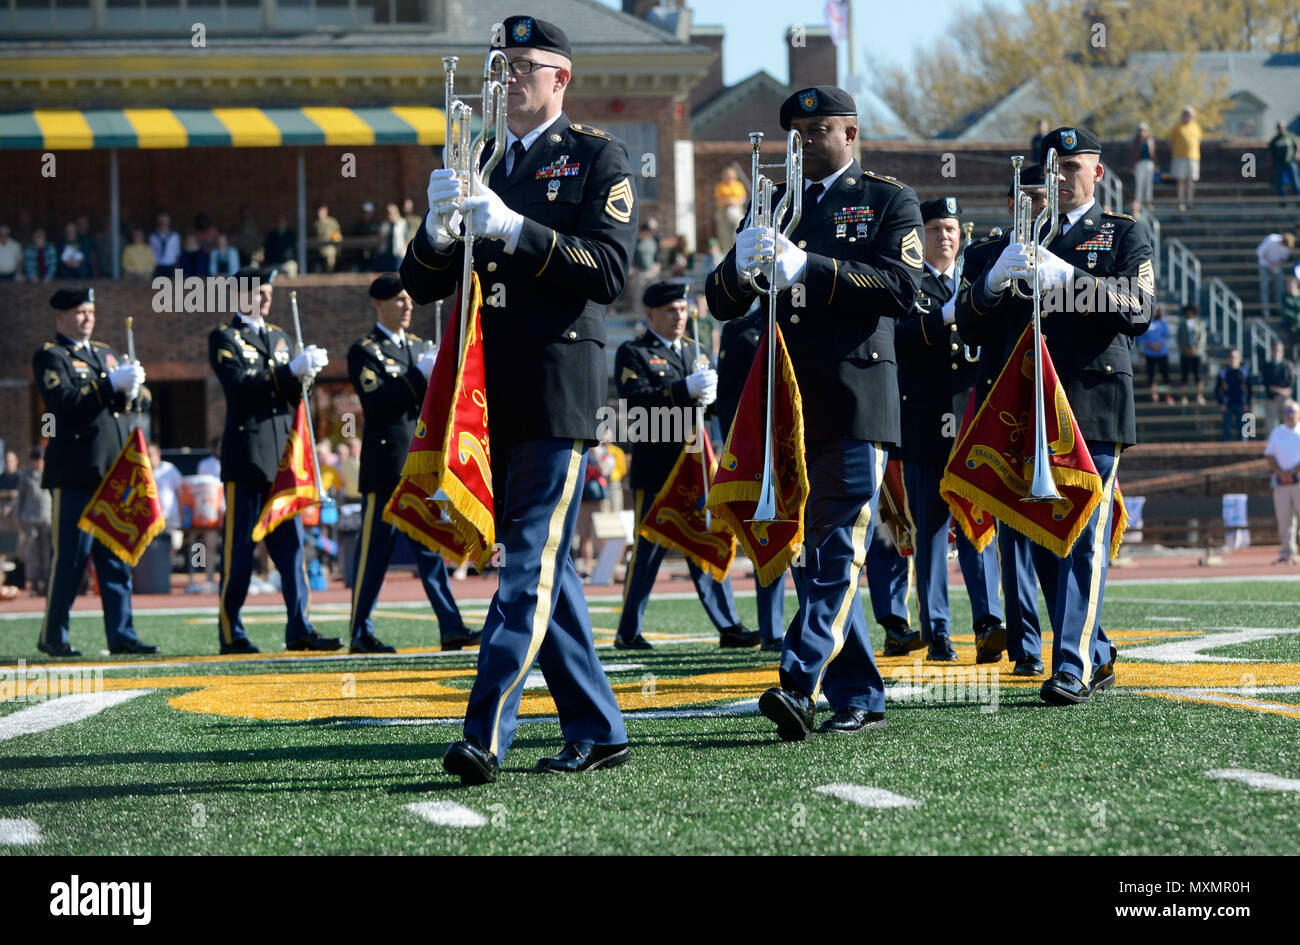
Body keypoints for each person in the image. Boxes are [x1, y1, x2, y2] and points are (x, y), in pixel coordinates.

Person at [403, 15, 636, 784]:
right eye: (498, 64)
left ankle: (484, 731)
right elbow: (423, 283)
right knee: (548, 572)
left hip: (556, 385)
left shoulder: (600, 156)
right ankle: (599, 727)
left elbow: (606, 270)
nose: (504, 78)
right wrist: (436, 233)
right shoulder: (488, 160)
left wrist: (515, 227)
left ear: (560, 77)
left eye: (521, 66)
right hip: (490, 391)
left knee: (525, 567)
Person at [706, 84, 925, 737]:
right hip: (790, 405)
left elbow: (904, 287)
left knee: (836, 546)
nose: (804, 141)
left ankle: (798, 681)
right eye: (796, 133)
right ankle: (858, 692)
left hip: (858, 398)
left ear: (850, 134)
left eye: (818, 129)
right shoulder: (777, 206)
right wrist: (741, 265)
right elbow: (721, 300)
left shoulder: (888, 199)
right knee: (820, 557)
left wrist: (810, 266)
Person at [957, 126, 1155, 704]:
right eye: (1054, 167)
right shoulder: (1011, 242)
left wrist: (1069, 279)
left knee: (1086, 534)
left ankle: (1070, 665)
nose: (1062, 177)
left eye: (1074, 166)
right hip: (1029, 411)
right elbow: (968, 326)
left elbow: (1138, 307)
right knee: (1047, 538)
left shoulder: (1121, 234)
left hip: (1093, 402)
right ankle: (1093, 650)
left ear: (1098, 173)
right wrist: (994, 282)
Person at [613, 280, 760, 651]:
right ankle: (628, 631)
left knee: (707, 540)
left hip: (698, 468)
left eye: (682, 310)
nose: (679, 317)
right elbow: (635, 402)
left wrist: (710, 400)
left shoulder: (696, 350)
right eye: (670, 311)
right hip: (659, 467)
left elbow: (710, 406)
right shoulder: (635, 352)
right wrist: (683, 390)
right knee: (647, 553)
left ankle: (729, 625)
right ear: (650, 315)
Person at [895, 196, 1006, 663]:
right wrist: (942, 317)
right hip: (925, 423)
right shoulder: (910, 283)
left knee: (979, 525)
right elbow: (899, 339)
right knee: (932, 533)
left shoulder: (977, 280)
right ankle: (937, 628)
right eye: (937, 227)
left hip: (971, 424)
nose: (946, 235)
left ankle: (988, 622)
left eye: (953, 228)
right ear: (921, 234)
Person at [208, 267, 340, 654]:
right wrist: (288, 371)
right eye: (256, 292)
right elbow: (240, 386)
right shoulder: (225, 337)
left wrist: (307, 377)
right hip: (247, 460)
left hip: (284, 460)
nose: (264, 298)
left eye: (266, 292)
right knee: (239, 553)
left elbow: (294, 396)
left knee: (293, 551)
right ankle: (231, 632)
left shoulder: (281, 336)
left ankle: (300, 627)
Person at [345, 273, 477, 653]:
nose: (406, 306)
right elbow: (379, 402)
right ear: (378, 304)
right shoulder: (364, 350)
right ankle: (359, 631)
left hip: (420, 465)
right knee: (374, 553)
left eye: (408, 300)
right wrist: (418, 376)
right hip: (386, 466)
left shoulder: (419, 346)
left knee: (430, 549)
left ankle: (451, 627)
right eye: (398, 300)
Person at [32, 287, 158, 656]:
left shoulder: (105, 353)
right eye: (79, 312)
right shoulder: (51, 356)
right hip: (75, 474)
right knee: (70, 559)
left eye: (90, 311)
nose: (87, 317)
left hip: (114, 474)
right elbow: (63, 403)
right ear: (61, 317)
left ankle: (122, 635)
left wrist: (136, 388)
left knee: (115, 558)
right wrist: (108, 385)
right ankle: (54, 636)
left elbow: (139, 400)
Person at [715, 305, 794, 653]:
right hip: (764, 449)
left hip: (801, 441)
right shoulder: (740, 329)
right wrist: (739, 454)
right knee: (770, 534)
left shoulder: (806, 319)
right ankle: (772, 630)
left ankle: (811, 626)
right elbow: (730, 398)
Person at [1264, 399, 1300, 564]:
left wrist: (1293, 471)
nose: (1289, 415)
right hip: (1282, 482)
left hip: (1298, 480)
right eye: (1287, 412)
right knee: (1284, 520)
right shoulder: (1277, 432)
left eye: (1292, 412)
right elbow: (1269, 454)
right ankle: (1287, 552)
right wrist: (1281, 472)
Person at [17, 447, 52, 597]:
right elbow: (20, 498)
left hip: (46, 518)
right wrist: (19, 518)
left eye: (40, 460)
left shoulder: (50, 474)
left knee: (46, 551)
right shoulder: (26, 476)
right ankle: (35, 583)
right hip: (30, 518)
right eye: (36, 460)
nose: (38, 463)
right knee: (32, 552)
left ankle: (47, 581)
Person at [148, 442, 183, 553]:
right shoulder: (143, 471)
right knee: (155, 546)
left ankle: (168, 566)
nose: (149, 457)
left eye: (151, 454)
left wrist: (183, 512)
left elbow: (180, 490)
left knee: (175, 544)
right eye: (146, 454)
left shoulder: (170, 468)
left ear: (158, 454)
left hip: (172, 516)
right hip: (152, 517)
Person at [1167, 106, 1202, 212]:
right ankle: (1180, 202)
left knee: (1191, 180)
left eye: (1190, 115)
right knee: (1181, 180)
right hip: (1179, 157)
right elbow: (1170, 141)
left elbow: (1199, 140)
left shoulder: (1196, 127)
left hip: (1193, 157)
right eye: (1186, 114)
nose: (1188, 117)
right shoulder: (1177, 127)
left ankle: (1190, 201)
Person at [1215, 348, 1252, 442]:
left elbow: (1250, 390)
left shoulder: (1244, 372)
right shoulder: (1223, 372)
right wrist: (1221, 403)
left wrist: (1247, 403)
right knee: (1227, 430)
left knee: (1244, 430)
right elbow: (1216, 390)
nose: (1233, 360)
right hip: (1228, 404)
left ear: (1239, 359)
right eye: (1231, 357)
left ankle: (1244, 449)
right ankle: (1226, 451)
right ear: (1228, 359)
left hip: (1241, 404)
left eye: (1235, 357)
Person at [1256, 231, 1295, 318]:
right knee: (1265, 288)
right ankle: (1265, 312)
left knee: (1280, 288)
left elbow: (1284, 257)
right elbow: (1260, 252)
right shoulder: (1271, 239)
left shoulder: (1287, 246)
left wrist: (1276, 265)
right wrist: (1271, 264)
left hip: (1277, 266)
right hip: (1265, 265)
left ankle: (1281, 310)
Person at [1177, 303, 1208, 404]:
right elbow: (1179, 339)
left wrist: (1196, 348)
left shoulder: (1199, 323)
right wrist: (1186, 349)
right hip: (1185, 353)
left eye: (1191, 311)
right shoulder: (1182, 324)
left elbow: (1202, 337)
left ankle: (1199, 396)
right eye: (1187, 311)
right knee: (1184, 376)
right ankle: (1184, 397)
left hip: (1197, 353)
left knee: (1198, 375)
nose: (1189, 313)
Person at [1261, 340, 1295, 429]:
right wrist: (1279, 392)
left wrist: (1278, 391)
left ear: (1282, 352)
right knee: (1271, 428)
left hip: (1286, 402)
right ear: (1271, 351)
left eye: (1279, 350)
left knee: (1288, 426)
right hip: (1272, 400)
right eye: (1275, 350)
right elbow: (1267, 385)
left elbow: (1290, 385)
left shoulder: (1288, 366)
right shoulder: (1266, 367)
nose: (1277, 352)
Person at [1141, 307, 1173, 402]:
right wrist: (1151, 345)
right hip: (1149, 353)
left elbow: (1166, 335)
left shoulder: (1162, 322)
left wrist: (1158, 345)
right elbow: (1141, 336)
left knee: (1165, 375)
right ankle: (1154, 395)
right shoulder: (1145, 322)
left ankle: (1168, 395)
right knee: (1151, 375)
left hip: (1161, 352)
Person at [713, 166, 747, 247]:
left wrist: (736, 202)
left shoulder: (738, 185)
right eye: (727, 176)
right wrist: (729, 201)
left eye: (731, 176)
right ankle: (726, 251)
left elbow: (743, 197)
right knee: (725, 233)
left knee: (737, 229)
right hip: (724, 211)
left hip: (737, 210)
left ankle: (736, 248)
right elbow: (718, 199)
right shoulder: (720, 186)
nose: (729, 178)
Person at [1268, 122, 1299, 201]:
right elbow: (1271, 152)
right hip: (1279, 163)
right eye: (1279, 127)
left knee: (1295, 180)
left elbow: (1297, 147)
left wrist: (1296, 155)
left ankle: (1298, 199)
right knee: (1279, 182)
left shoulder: (1290, 136)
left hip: (1291, 162)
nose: (1280, 129)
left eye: (1282, 127)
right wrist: (1272, 162)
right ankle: (1282, 201)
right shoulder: (1275, 140)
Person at [1130, 122, 1157, 212]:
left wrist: (1155, 164)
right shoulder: (1136, 141)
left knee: (1149, 183)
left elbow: (1153, 154)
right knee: (1139, 183)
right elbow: (1133, 155)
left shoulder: (1150, 140)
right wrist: (1133, 166)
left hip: (1149, 163)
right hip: (1139, 164)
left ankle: (1149, 201)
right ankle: (1138, 201)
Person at [376, 203, 409, 272]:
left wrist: (403, 250)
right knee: (387, 272)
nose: (390, 214)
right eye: (388, 212)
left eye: (392, 213)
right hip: (386, 252)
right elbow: (380, 237)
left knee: (398, 271)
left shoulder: (402, 223)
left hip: (398, 253)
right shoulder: (384, 224)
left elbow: (406, 238)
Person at [312, 204, 342, 274]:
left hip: (330, 247)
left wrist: (338, 249)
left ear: (326, 211)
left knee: (330, 256)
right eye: (319, 211)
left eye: (322, 211)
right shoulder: (316, 224)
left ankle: (330, 273)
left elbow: (338, 236)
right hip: (319, 249)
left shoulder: (332, 222)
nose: (320, 213)